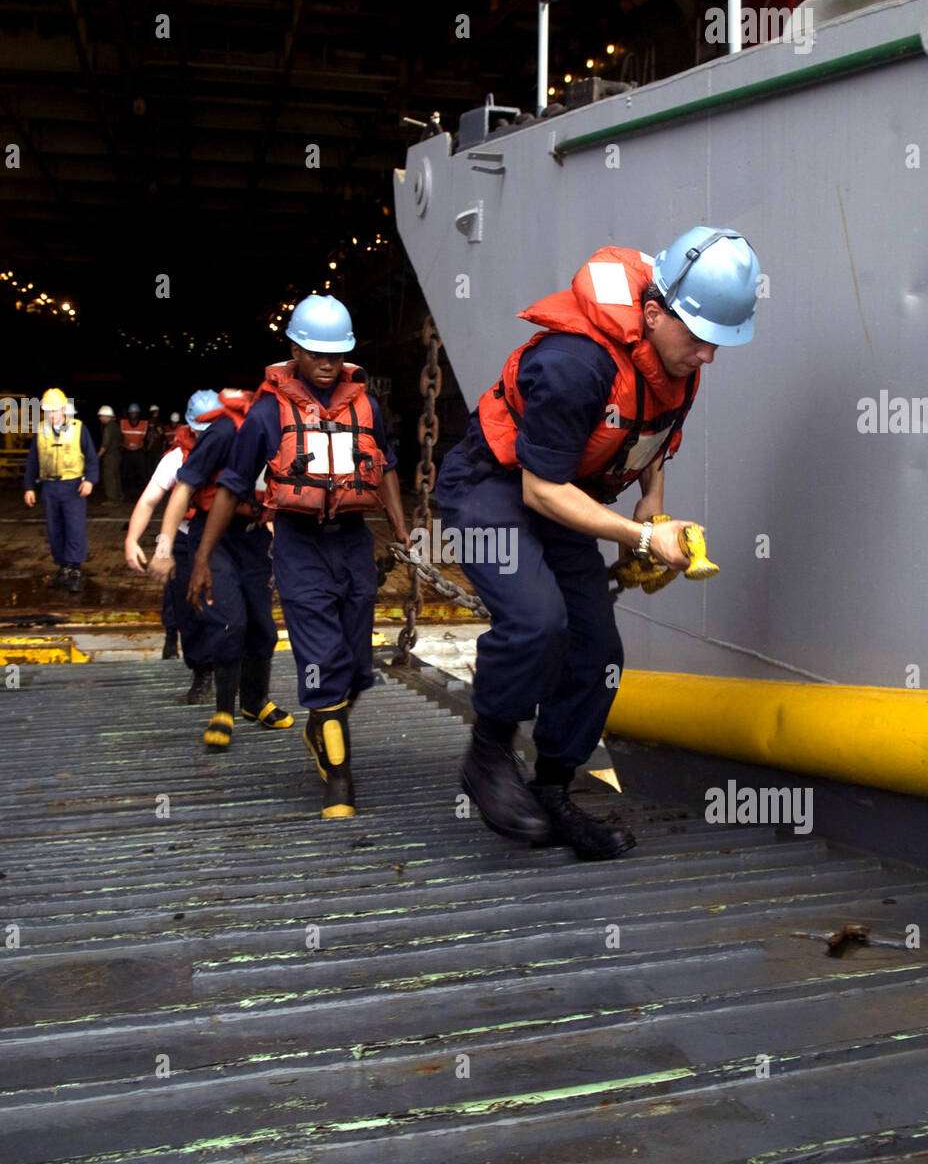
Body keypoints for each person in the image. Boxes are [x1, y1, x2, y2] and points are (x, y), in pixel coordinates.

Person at [435, 227, 762, 862]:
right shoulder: (573, 364)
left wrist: (650, 511)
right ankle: (489, 754)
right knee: (537, 621)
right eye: (699, 339)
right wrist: (643, 535)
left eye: (720, 343)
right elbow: (539, 491)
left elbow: (654, 436)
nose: (709, 357)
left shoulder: (677, 360)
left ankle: (552, 789)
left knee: (596, 647)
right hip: (496, 484)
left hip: (567, 492)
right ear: (651, 313)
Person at [186, 294, 409, 818]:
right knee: (321, 660)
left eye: (336, 354)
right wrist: (201, 556)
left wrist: (403, 531)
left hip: (353, 542)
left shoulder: (367, 406)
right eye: (315, 354)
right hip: (297, 544)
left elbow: (389, 468)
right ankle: (339, 780)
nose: (327, 365)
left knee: (355, 668)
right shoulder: (267, 413)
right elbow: (232, 487)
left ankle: (321, 724)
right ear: (294, 350)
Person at [149, 387, 294, 752]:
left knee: (262, 624)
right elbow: (183, 489)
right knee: (231, 620)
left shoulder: (299, 433)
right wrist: (165, 548)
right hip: (213, 540)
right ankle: (223, 710)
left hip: (254, 538)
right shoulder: (226, 432)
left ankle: (255, 702)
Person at [125, 389, 219, 703]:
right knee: (186, 608)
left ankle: (237, 674)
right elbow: (149, 500)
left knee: (227, 607)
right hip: (184, 538)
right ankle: (201, 673)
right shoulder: (176, 458)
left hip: (224, 540)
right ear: (190, 429)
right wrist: (131, 540)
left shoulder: (237, 452)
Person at [23, 388, 99, 593]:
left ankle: (75, 570)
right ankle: (63, 568)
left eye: (55, 410)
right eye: (48, 411)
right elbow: (32, 461)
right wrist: (29, 487)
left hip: (72, 486)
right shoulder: (41, 431)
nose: (51, 415)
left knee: (74, 528)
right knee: (55, 530)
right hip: (49, 487)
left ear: (64, 409)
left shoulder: (79, 428)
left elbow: (91, 458)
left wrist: (90, 481)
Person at [96, 404, 123, 504]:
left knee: (109, 478)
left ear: (107, 416)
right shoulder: (116, 426)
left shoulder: (108, 428)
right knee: (116, 477)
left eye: (101, 416)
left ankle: (112, 499)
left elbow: (104, 445)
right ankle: (119, 496)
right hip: (117, 455)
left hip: (110, 457)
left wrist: (97, 456)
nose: (100, 418)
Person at [120, 404, 148, 496]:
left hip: (138, 451)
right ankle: (126, 492)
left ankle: (143, 492)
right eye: (131, 413)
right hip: (127, 451)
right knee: (125, 473)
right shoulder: (123, 423)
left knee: (142, 473)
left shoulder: (144, 424)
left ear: (138, 414)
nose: (133, 415)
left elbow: (147, 438)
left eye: (135, 413)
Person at [145, 404, 166, 478]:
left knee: (149, 465)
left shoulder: (147, 422)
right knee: (156, 465)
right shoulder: (157, 422)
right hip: (156, 446)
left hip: (148, 447)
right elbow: (161, 433)